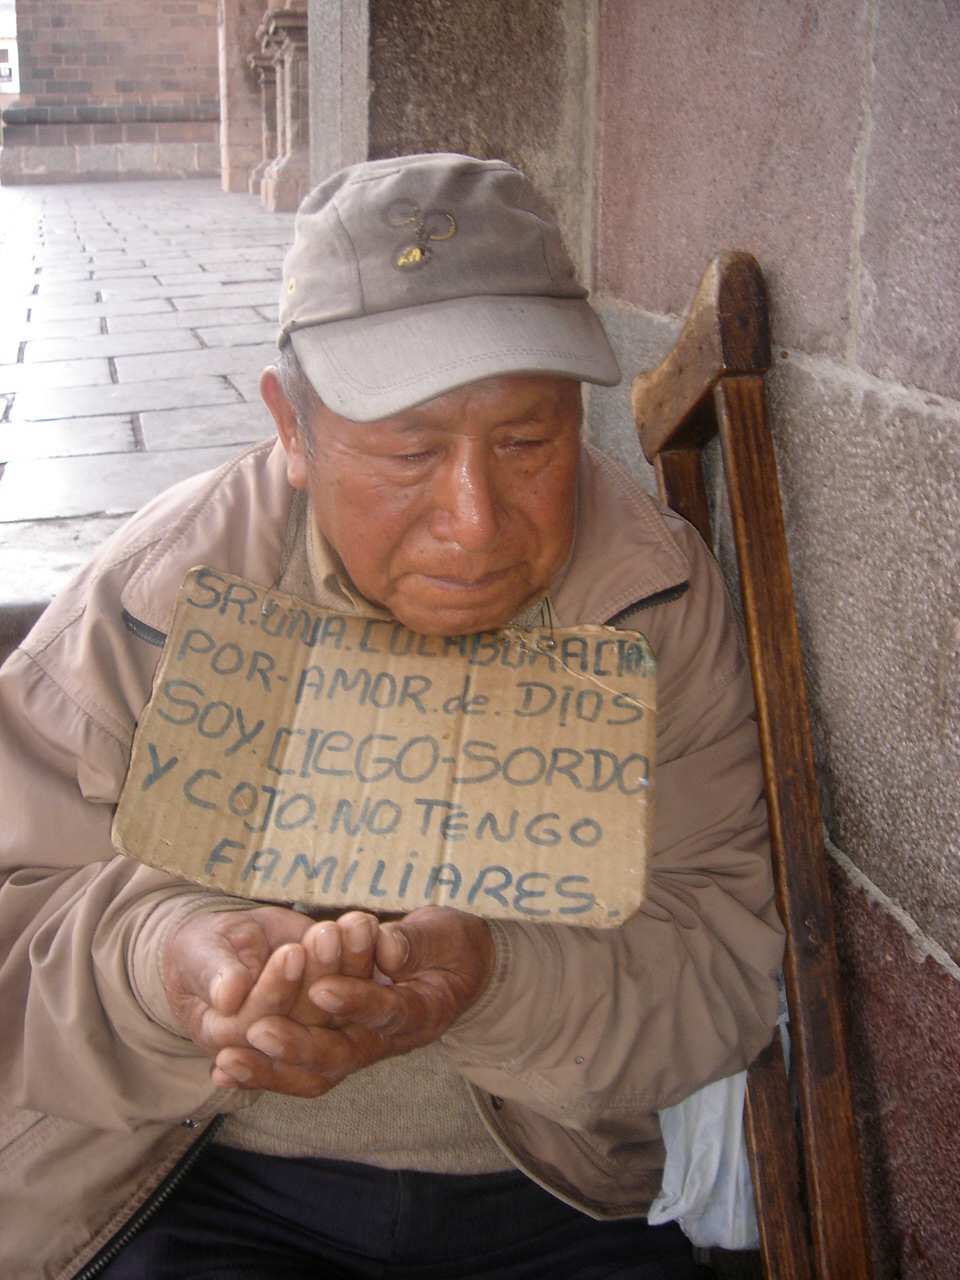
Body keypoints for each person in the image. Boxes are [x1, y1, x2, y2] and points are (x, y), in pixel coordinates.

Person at [0, 154, 783, 1280]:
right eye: (411, 451)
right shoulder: (159, 597)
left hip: (555, 1191)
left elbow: (723, 964)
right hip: (205, 1178)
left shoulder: (649, 599)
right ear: (293, 429)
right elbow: (16, 929)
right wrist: (165, 963)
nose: (476, 520)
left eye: (528, 442)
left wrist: (492, 977)